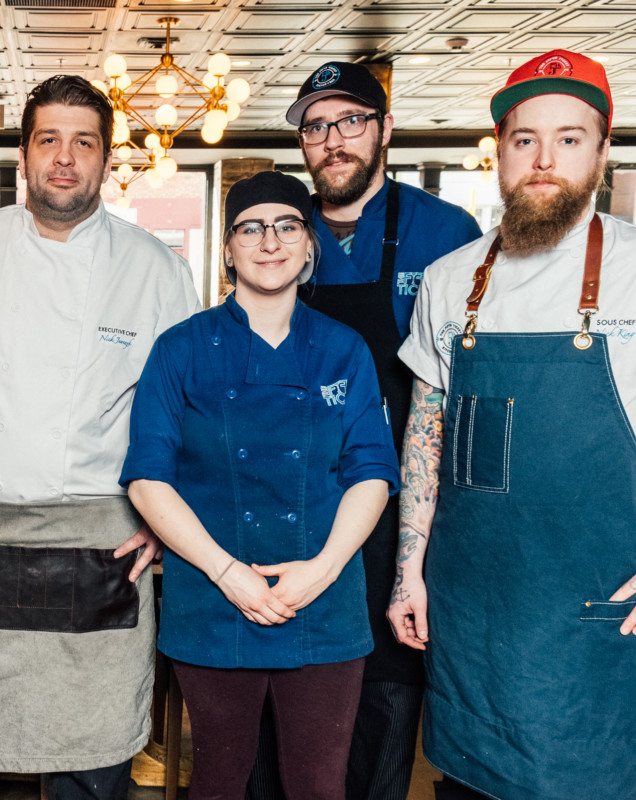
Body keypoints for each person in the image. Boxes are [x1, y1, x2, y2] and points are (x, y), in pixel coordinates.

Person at [0, 74, 200, 800]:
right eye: (48, 139)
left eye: (83, 142)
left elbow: (183, 411)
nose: (64, 157)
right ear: (24, 154)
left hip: (100, 535)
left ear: (106, 159)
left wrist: (164, 518)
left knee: (92, 760)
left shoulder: (157, 271)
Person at [387, 49, 636, 800]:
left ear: (604, 149)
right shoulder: (454, 279)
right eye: (525, 139)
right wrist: (408, 572)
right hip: (471, 624)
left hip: (590, 631)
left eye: (570, 138)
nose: (545, 159)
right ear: (500, 152)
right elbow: (427, 430)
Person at [123, 170, 399, 800]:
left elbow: (372, 472)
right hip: (213, 602)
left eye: (287, 226)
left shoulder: (343, 349)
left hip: (324, 605)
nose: (269, 241)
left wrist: (322, 569)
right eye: (251, 227)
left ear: (309, 246)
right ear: (227, 249)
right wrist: (228, 573)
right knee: (219, 779)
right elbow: (147, 479)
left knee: (319, 786)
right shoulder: (180, 349)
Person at [281, 61, 482, 800]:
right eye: (316, 125)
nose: (333, 140)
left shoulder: (445, 231)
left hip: (404, 513)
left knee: (385, 703)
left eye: (351, 121)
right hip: (295, 502)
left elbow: (466, 388)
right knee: (290, 701)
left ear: (385, 129)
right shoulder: (279, 226)